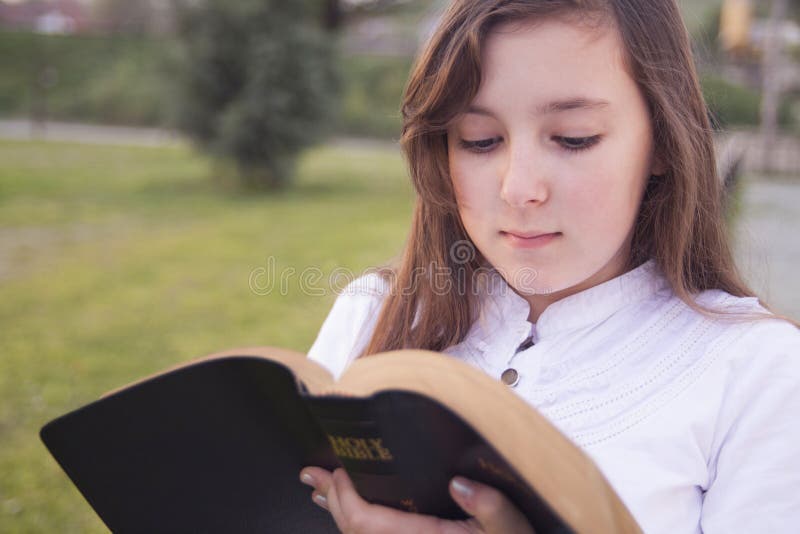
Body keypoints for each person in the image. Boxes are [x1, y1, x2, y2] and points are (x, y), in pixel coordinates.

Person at [298, 1, 800, 532]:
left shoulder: (759, 373)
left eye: (574, 138)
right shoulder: (373, 312)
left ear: (662, 139)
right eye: (479, 141)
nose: (519, 189)